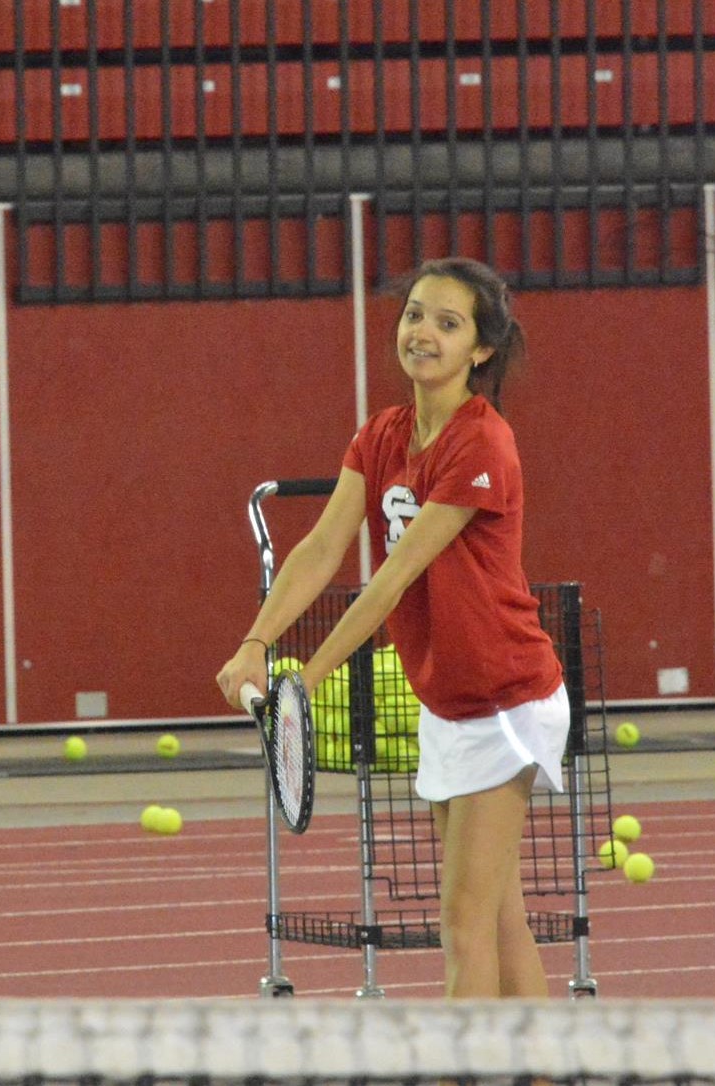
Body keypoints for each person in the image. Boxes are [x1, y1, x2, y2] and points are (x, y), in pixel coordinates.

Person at [215, 256, 567, 999]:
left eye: (448, 323)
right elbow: (317, 550)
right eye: (414, 315)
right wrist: (256, 644)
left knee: (463, 927)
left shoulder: (482, 443)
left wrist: (303, 681)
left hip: (508, 702)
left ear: (480, 350)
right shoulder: (380, 437)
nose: (423, 333)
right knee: (500, 925)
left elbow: (391, 580)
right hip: (447, 703)